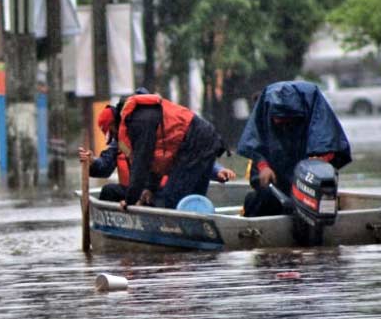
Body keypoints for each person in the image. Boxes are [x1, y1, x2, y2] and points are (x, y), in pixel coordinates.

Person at [237, 80, 352, 217]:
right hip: (276, 187)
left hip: (310, 189)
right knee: (255, 199)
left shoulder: (317, 123)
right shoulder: (264, 118)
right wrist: (263, 166)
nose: (280, 122)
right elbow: (255, 145)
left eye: (287, 119)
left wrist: (319, 165)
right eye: (276, 118)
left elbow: (331, 149)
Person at [117, 88, 228, 209]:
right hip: (208, 139)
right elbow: (156, 160)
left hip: (196, 143)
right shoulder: (149, 114)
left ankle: (175, 226)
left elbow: (142, 160)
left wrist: (130, 200)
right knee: (193, 199)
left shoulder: (139, 120)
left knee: (172, 199)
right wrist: (150, 188)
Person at [78, 100, 133, 202]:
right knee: (109, 191)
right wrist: (92, 161)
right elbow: (105, 166)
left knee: (108, 191)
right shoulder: (119, 143)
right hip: (132, 191)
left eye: (111, 130)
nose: (113, 135)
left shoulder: (142, 135)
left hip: (150, 189)